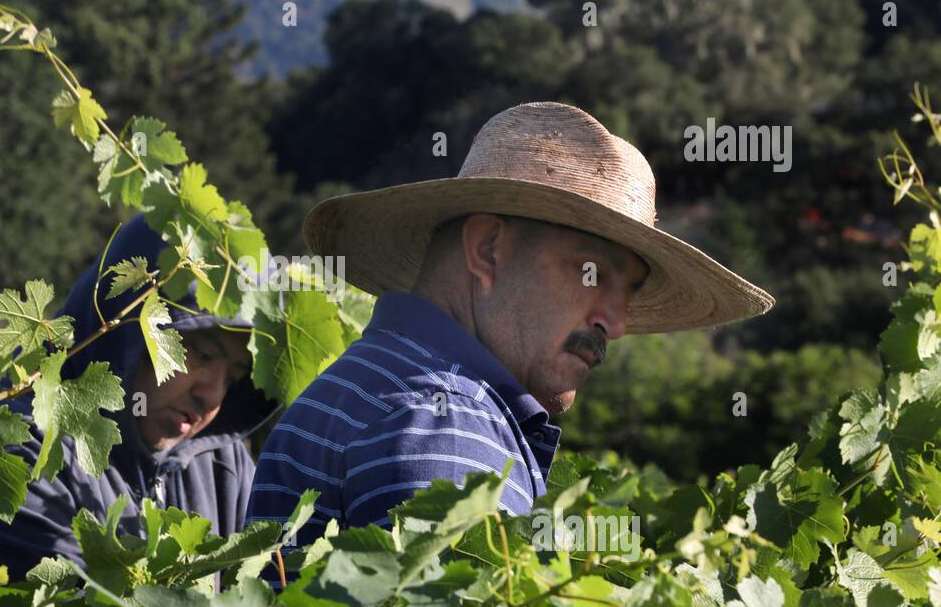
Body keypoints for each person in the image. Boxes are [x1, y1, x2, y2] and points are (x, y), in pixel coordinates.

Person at [247, 101, 775, 548]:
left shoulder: (364, 382)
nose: (613, 321)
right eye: (592, 272)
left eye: (628, 290)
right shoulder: (446, 422)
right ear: (487, 249)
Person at [0, 213, 279, 607]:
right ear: (132, 322)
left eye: (235, 376)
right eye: (201, 355)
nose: (213, 394)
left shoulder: (222, 463)